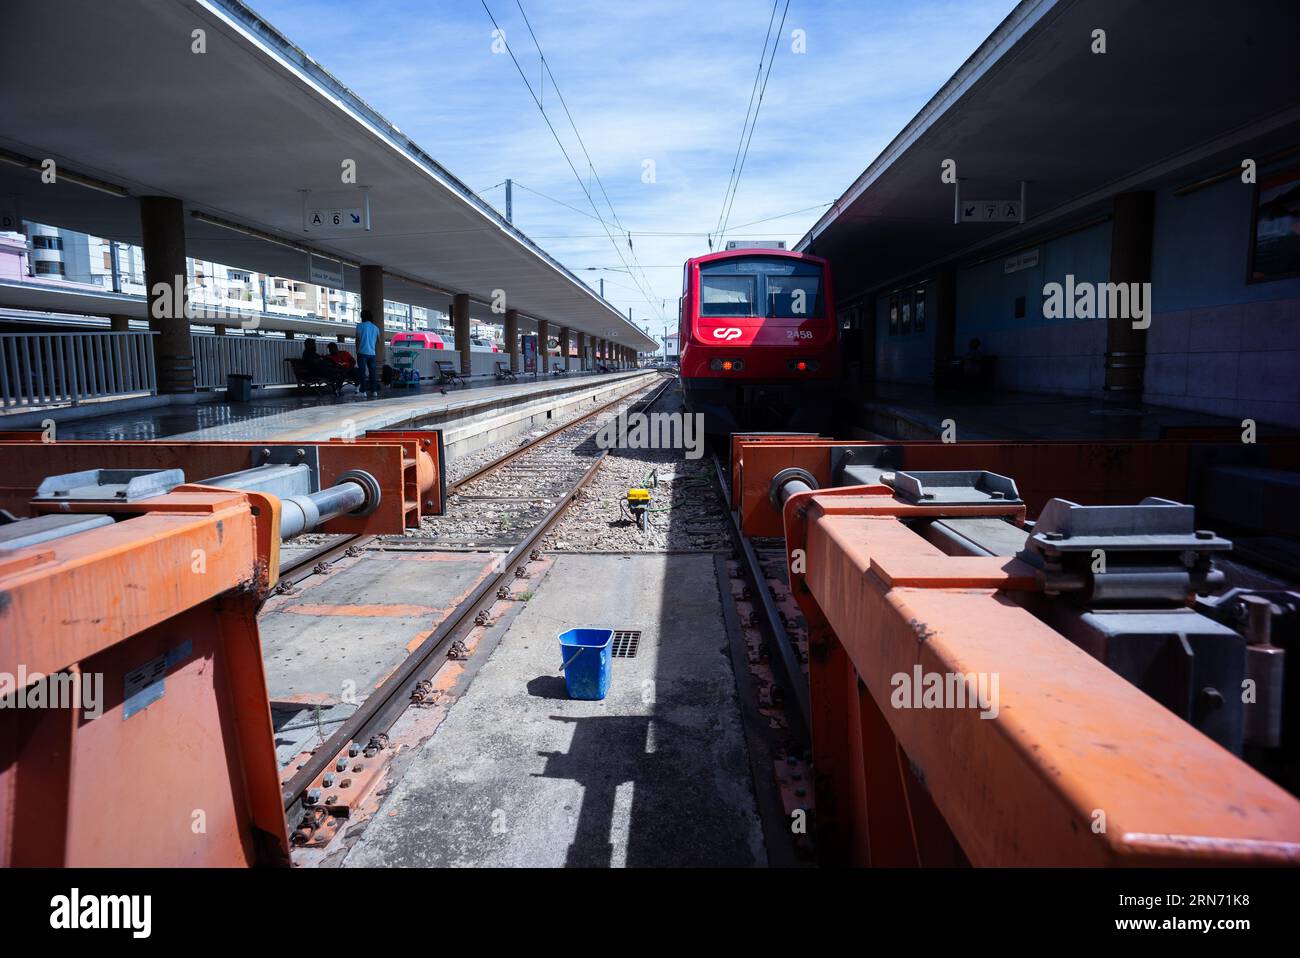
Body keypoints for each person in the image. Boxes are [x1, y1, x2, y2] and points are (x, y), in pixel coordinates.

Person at [355, 309, 380, 398]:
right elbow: (379, 341)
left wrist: (357, 350)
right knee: (372, 372)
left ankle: (363, 391)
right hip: (372, 353)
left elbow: (357, 339)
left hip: (362, 352)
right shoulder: (376, 328)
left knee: (362, 372)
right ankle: (374, 391)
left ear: (362, 317)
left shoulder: (359, 326)